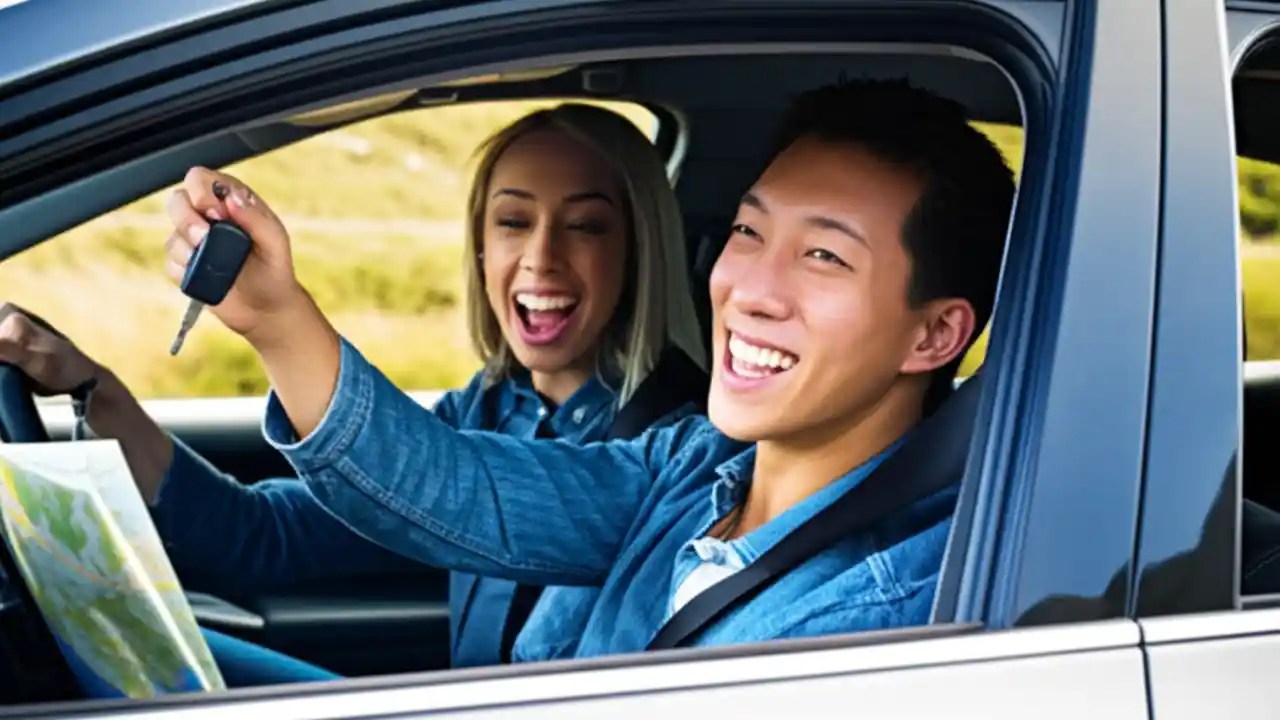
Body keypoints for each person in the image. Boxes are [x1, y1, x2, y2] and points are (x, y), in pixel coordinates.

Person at [161, 77, 1017, 658]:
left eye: (825, 257)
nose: (751, 289)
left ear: (935, 336)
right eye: (750, 233)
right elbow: (454, 488)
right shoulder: (692, 466)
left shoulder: (876, 617)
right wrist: (274, 317)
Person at [0, 103, 706, 683]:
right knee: (110, 646)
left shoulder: (681, 453)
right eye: (514, 221)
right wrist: (97, 389)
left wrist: (279, 319)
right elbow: (261, 537)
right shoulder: (487, 411)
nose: (542, 257)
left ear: (639, 249)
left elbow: (439, 482)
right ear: (481, 247)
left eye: (586, 226)